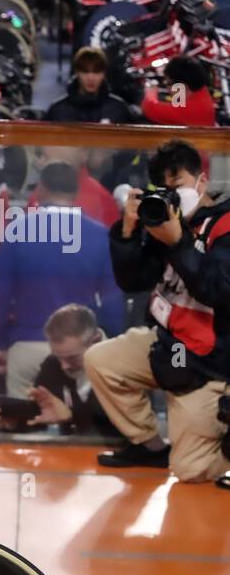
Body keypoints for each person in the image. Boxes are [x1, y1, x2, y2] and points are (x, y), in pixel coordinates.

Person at [86, 140, 230, 480]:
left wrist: (178, 242)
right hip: (170, 343)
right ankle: (149, 447)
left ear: (202, 181)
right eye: (164, 188)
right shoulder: (164, 219)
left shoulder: (225, 226)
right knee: (101, 361)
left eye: (177, 184)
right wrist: (128, 230)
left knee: (190, 470)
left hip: (213, 361)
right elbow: (132, 281)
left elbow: (219, 290)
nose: (172, 195)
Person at [0, 161, 126, 397]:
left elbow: (0, 296)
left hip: (27, 345)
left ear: (40, 189)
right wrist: (108, 343)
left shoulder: (17, 230)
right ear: (76, 191)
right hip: (79, 350)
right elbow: (113, 300)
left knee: (22, 427)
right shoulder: (100, 234)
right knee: (79, 424)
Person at [0, 304, 119, 436]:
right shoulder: (52, 364)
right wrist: (17, 424)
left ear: (95, 341)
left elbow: (122, 427)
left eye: (72, 358)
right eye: (58, 357)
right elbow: (42, 420)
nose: (64, 366)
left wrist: (71, 415)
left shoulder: (124, 366)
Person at [45, 47, 135, 124]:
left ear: (104, 73)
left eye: (96, 72)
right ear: (77, 72)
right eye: (85, 72)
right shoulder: (58, 111)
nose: (91, 78)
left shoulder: (118, 110)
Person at [141, 55, 218, 127]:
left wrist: (151, 89)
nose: (167, 86)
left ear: (182, 85)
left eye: (169, 83)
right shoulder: (202, 91)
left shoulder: (188, 110)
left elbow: (149, 108)